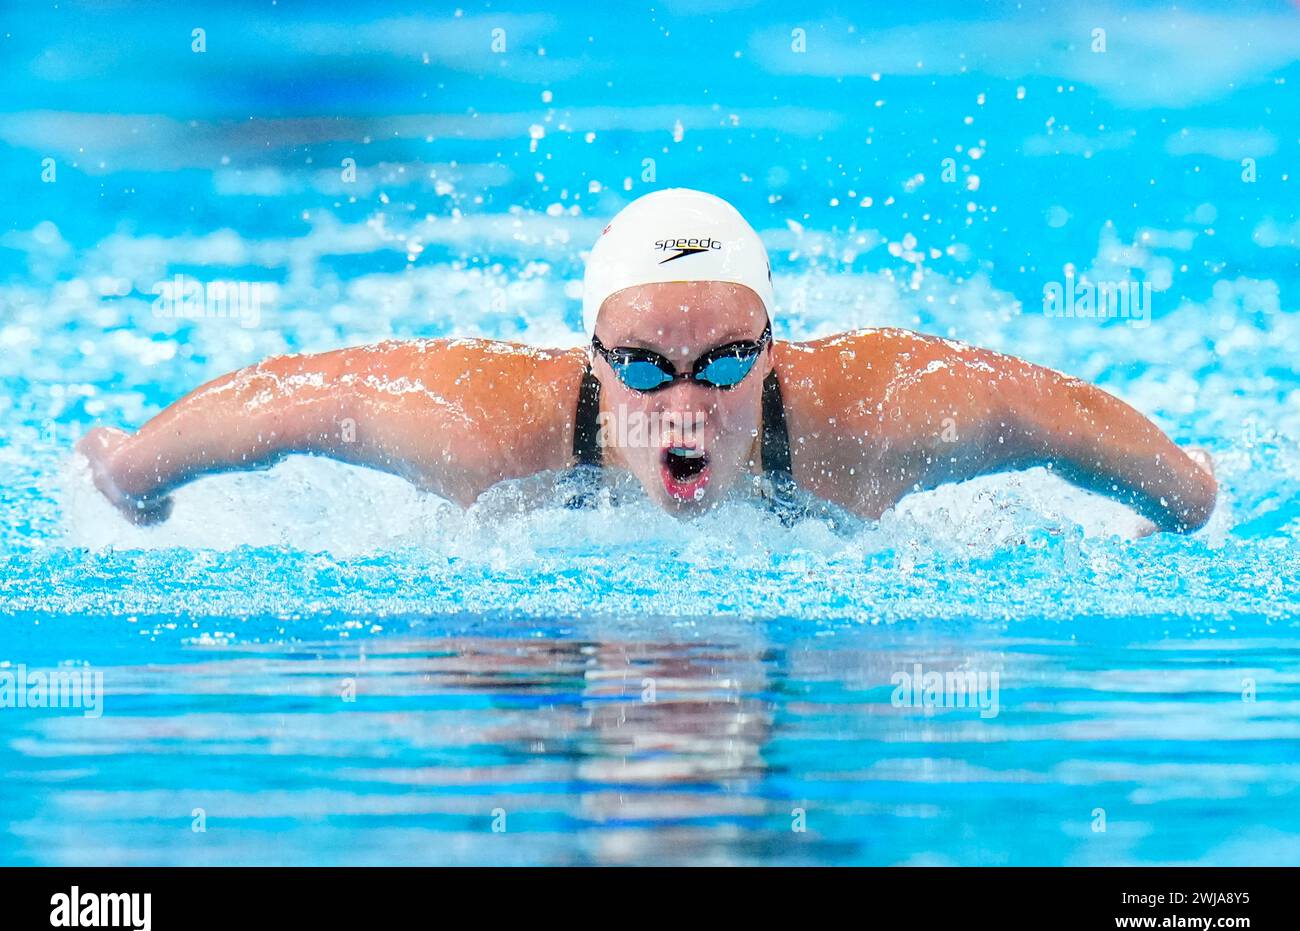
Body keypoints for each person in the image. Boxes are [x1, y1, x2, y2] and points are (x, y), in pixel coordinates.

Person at [77, 188, 1217, 533]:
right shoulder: (489, 427)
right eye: (645, 366)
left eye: (723, 364)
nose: (685, 403)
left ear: (774, 354)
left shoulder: (874, 415)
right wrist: (134, 474)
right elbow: (299, 397)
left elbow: (1038, 408)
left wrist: (1189, 494)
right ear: (591, 358)